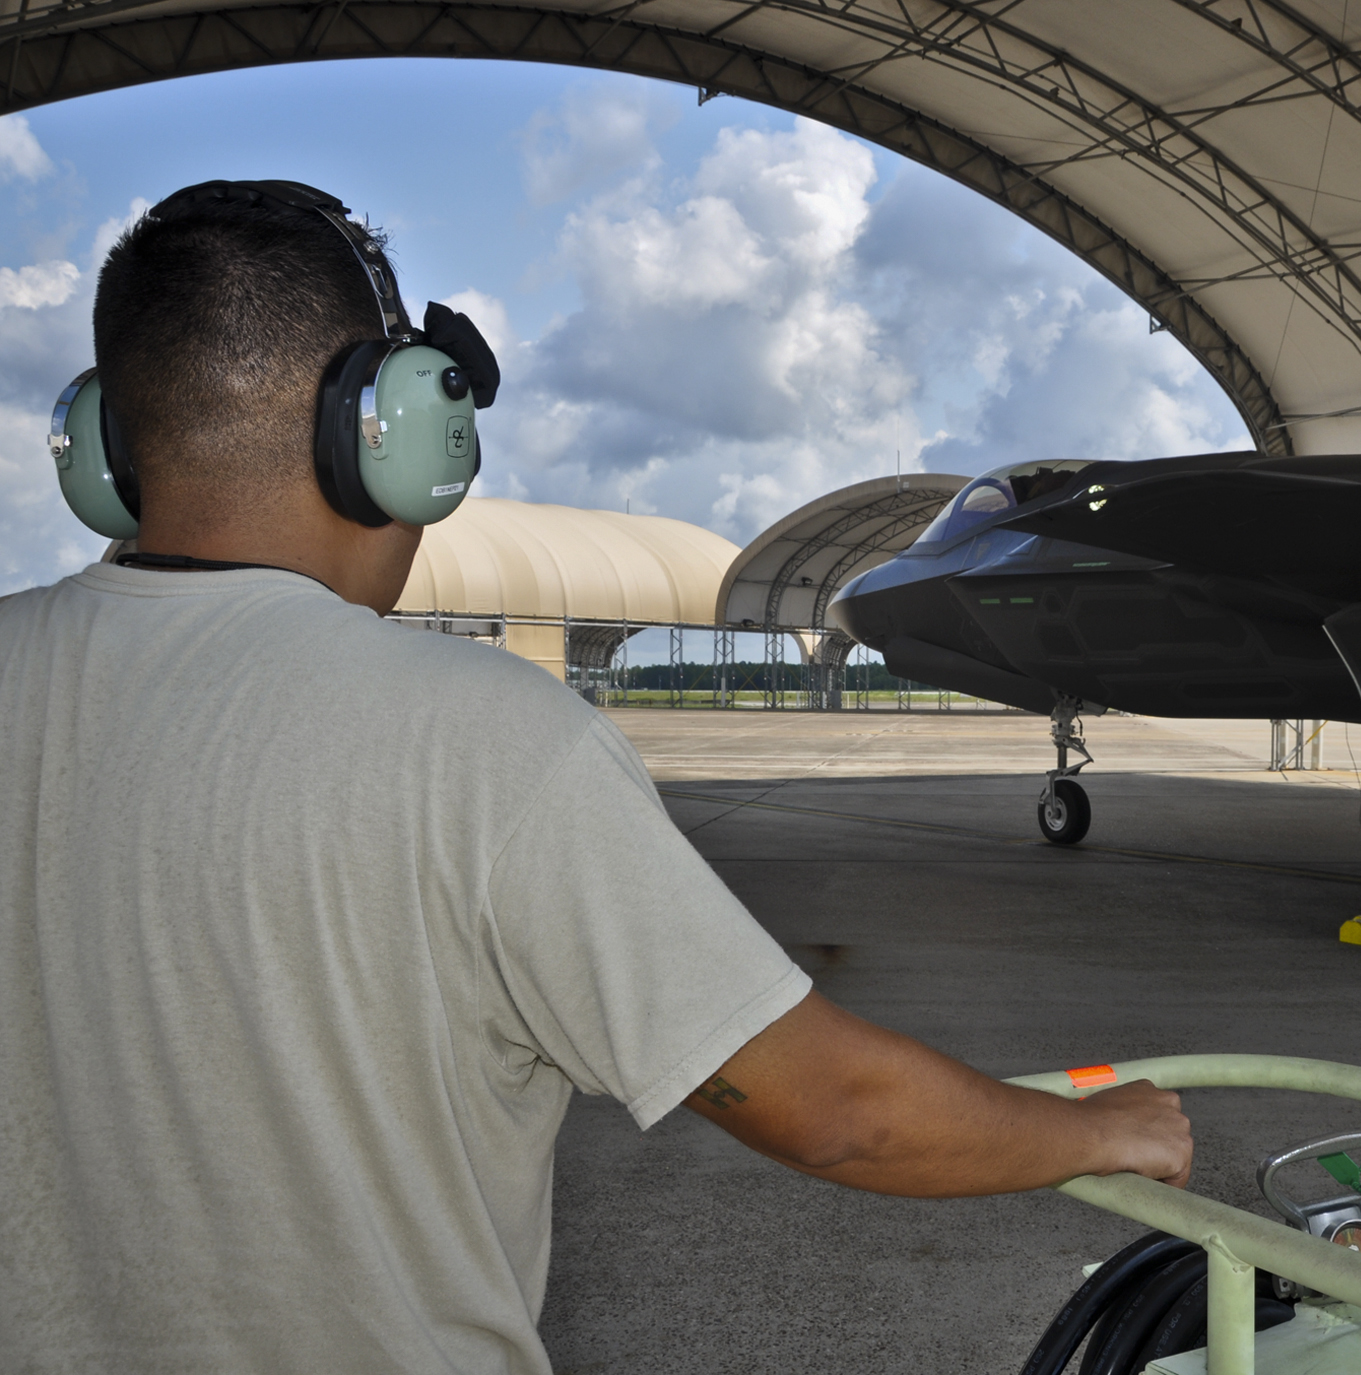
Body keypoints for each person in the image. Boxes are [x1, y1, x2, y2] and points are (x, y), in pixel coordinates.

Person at [0, 183, 1191, 1372]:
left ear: (110, 444)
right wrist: (1094, 1129)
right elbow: (840, 1111)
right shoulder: (487, 740)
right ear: (392, 429)